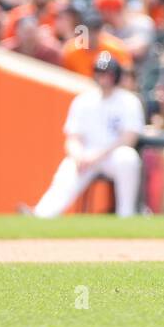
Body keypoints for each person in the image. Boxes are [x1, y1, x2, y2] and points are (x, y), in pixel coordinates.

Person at [27, 53, 144, 218]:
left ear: (116, 76)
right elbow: (72, 138)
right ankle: (42, 214)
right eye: (100, 73)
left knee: (128, 157)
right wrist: (79, 156)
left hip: (112, 155)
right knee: (68, 168)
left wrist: (97, 155)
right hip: (86, 155)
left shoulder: (129, 101)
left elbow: (128, 138)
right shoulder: (83, 100)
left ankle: (126, 214)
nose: (103, 78)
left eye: (108, 74)